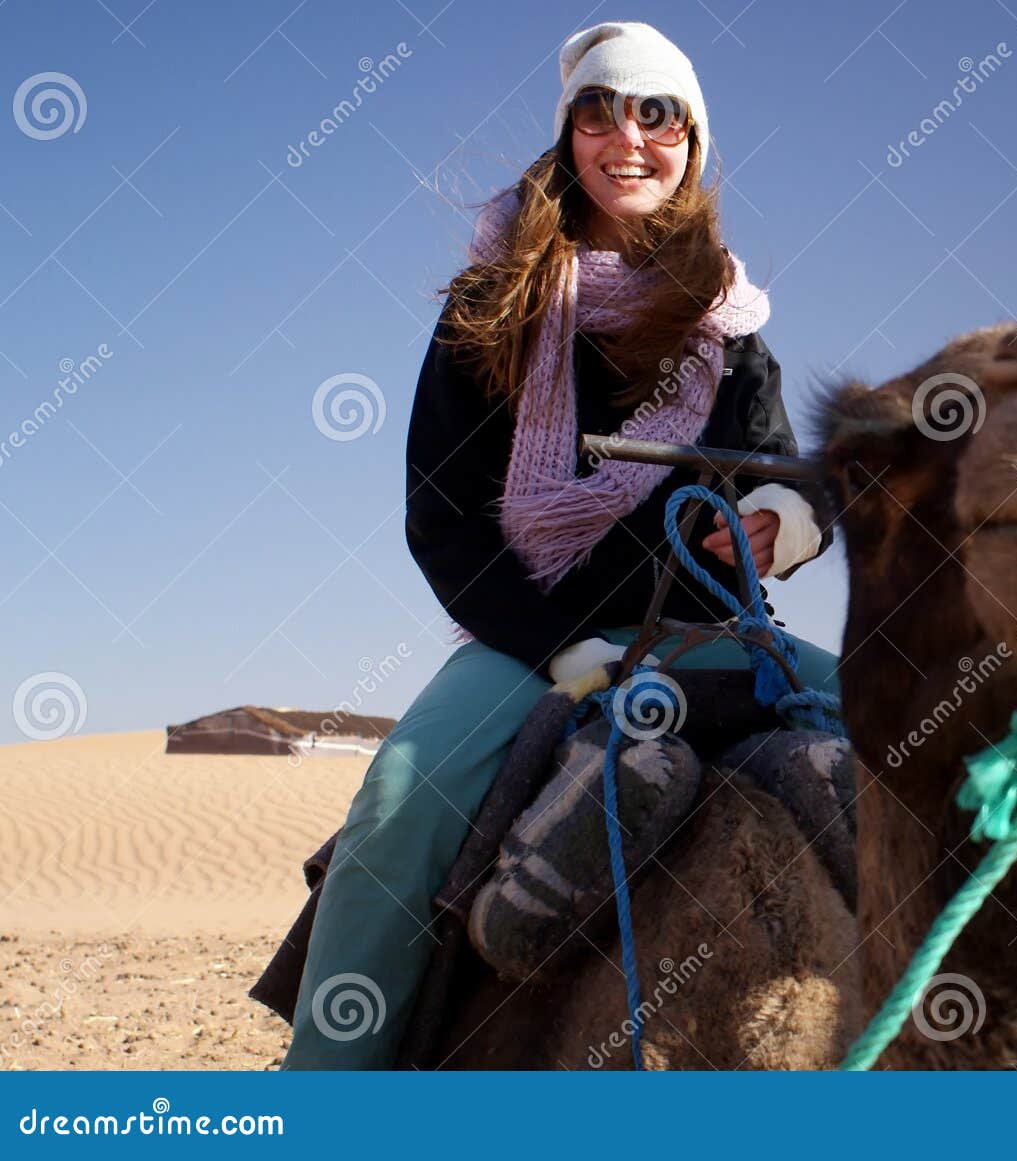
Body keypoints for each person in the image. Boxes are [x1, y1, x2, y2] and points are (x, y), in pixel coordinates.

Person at [282, 20, 838, 1069]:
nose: (628, 136)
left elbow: (784, 474)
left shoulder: (729, 324)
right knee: (397, 814)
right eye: (600, 109)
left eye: (658, 113)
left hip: (711, 632)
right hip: (532, 643)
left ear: (692, 141)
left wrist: (780, 527)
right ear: (569, 135)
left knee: (926, 753)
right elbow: (439, 517)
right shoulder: (489, 309)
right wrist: (558, 648)